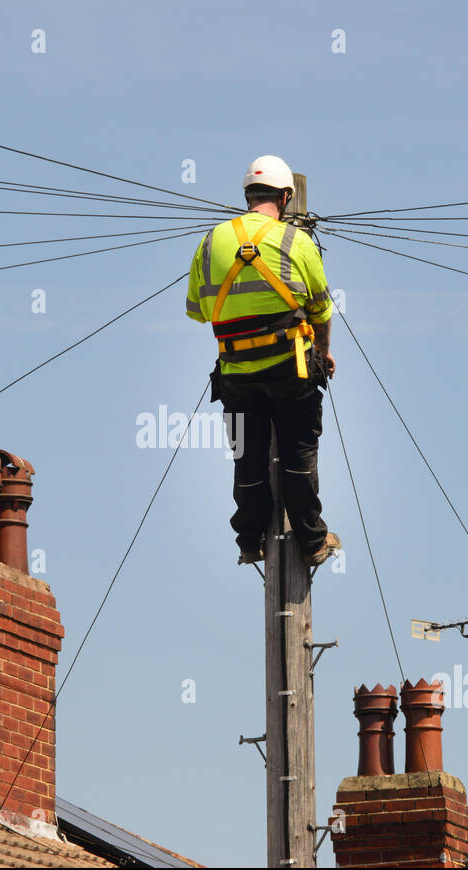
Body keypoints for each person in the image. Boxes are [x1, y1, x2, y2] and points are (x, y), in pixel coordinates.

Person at [185, 155, 341, 567]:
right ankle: (312, 541)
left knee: (247, 460)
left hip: (237, 374)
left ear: (247, 196)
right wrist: (323, 353)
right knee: (298, 456)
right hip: (290, 371)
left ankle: (249, 541)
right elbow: (321, 310)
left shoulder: (210, 242)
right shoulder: (297, 242)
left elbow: (198, 310)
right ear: (286, 198)